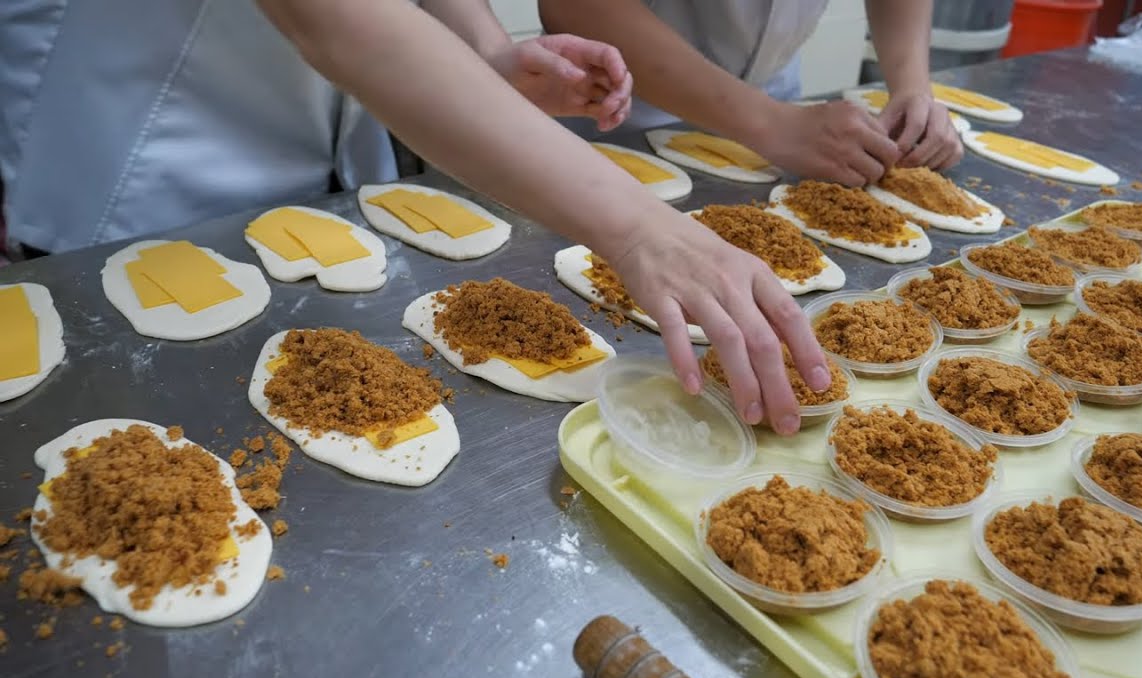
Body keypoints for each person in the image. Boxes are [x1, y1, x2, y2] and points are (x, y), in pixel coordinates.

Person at [0, 0, 828, 435]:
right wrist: (643, 229)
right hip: (140, 154)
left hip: (321, 154)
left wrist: (486, 48)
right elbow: (339, 19)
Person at [539, 0, 965, 186]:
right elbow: (574, 5)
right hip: (617, 110)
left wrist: (911, 84)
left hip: (778, 104)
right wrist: (773, 125)